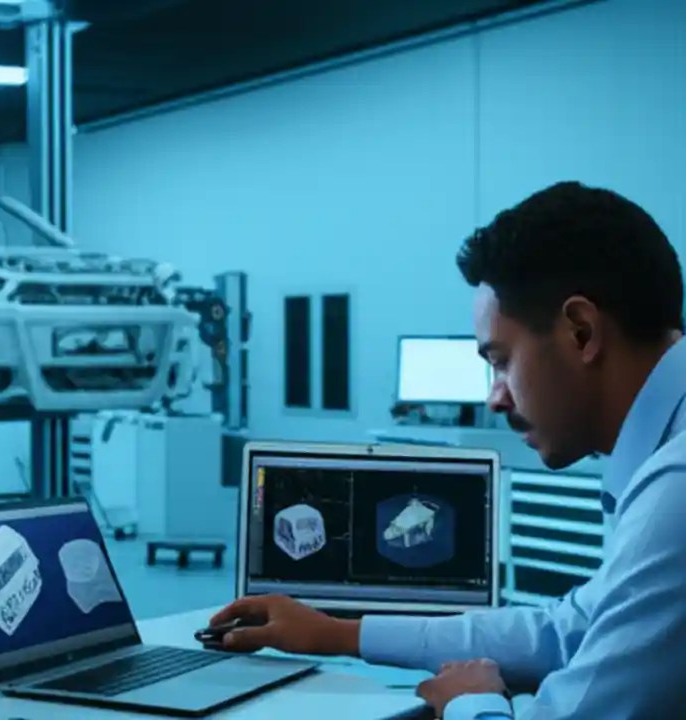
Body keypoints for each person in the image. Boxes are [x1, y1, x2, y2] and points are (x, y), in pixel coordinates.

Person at [210, 182, 686, 719]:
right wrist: (337, 633)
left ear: (581, 332)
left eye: (501, 360)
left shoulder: (676, 489)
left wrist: (470, 702)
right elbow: (565, 631)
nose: (495, 396)